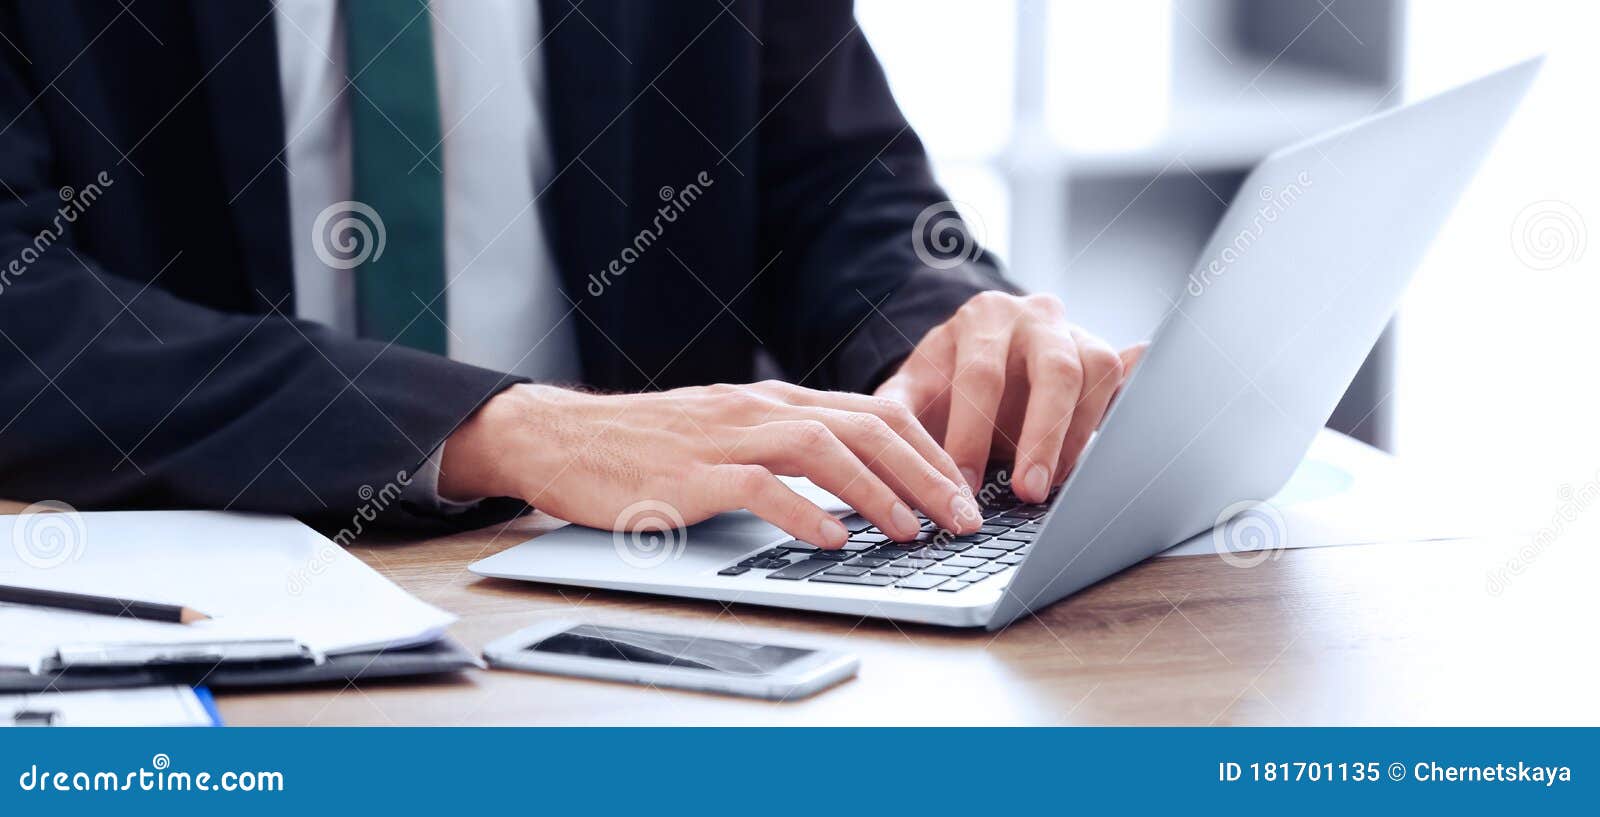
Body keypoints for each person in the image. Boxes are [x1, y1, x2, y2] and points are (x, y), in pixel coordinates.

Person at [0, 0, 1137, 549]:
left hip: (652, 608)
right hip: (220, 606)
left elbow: (835, 185)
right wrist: (499, 430)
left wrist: (936, 329)